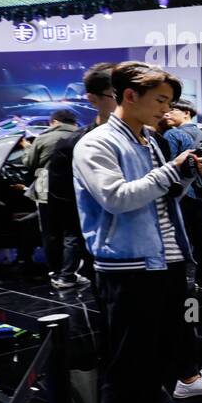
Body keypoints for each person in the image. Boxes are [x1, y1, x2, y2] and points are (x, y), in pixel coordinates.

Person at [73, 62, 202, 403]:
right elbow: (116, 198)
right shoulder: (97, 144)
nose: (166, 110)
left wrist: (182, 176)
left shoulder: (151, 141)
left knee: (156, 353)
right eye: (160, 100)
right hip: (127, 267)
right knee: (127, 360)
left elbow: (163, 197)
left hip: (166, 261)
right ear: (130, 95)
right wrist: (169, 171)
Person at [45, 63, 116, 283]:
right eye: (117, 94)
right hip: (103, 250)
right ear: (93, 99)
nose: (129, 100)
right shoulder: (73, 144)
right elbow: (63, 200)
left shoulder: (155, 141)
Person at [161, 100, 202, 290]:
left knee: (180, 239)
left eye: (172, 111)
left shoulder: (173, 134)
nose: (167, 114)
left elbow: (171, 166)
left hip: (185, 194)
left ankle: (184, 281)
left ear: (186, 113)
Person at [21, 108, 81, 289]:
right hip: (75, 188)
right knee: (73, 233)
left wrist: (27, 149)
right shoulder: (83, 135)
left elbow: (29, 164)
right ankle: (69, 274)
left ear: (54, 122)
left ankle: (56, 273)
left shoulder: (42, 138)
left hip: (46, 189)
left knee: (50, 233)